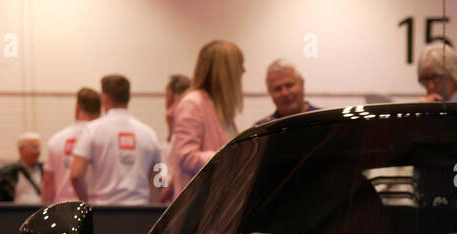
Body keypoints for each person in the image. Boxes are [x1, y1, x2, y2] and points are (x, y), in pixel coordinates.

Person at [70, 74, 163, 205]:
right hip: (140, 210)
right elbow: (160, 174)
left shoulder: (92, 130)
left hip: (103, 210)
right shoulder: (149, 134)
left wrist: (87, 203)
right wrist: (153, 208)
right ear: (129, 98)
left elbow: (76, 174)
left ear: (104, 98)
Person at [171, 40, 244, 196]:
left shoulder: (220, 107)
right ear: (225, 71)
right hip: (200, 206)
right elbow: (187, 158)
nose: (244, 70)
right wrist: (232, 155)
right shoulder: (193, 103)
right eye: (239, 65)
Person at [43, 87, 101, 204]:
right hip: (94, 208)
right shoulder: (103, 139)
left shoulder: (56, 140)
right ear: (100, 111)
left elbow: (48, 185)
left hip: (62, 209)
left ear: (77, 108)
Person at [252, 60, 319, 125]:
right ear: (270, 92)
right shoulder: (260, 131)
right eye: (277, 89)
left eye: (289, 85)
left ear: (302, 84)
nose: (285, 93)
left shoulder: (326, 120)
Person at [0, 132, 43, 203]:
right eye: (34, 147)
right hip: (16, 213)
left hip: (42, 212)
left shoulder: (44, 170)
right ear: (21, 149)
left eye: (38, 147)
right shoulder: (7, 173)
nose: (38, 151)